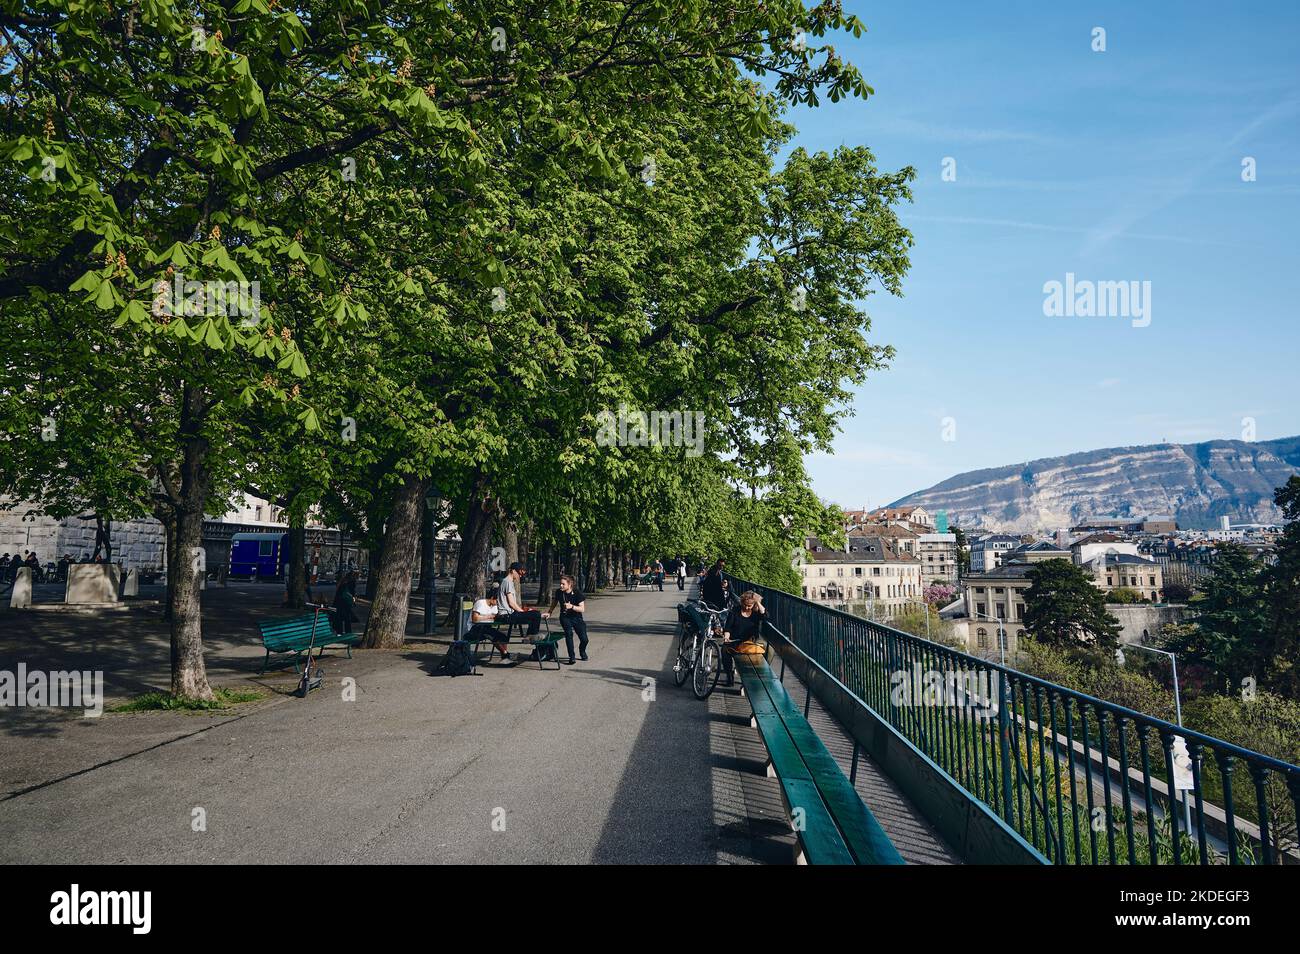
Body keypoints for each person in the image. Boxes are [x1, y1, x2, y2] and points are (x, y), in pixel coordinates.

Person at [720, 590, 766, 687]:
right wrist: (726, 637)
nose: (746, 607)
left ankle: (754, 678)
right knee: (724, 650)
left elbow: (765, 614)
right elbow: (728, 627)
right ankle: (729, 676)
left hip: (749, 642)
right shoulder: (735, 611)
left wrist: (757, 602)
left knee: (765, 651)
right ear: (741, 603)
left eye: (749, 606)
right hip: (735, 640)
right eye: (745, 605)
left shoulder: (755, 613)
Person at [544, 574, 588, 665]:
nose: (561, 586)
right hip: (565, 617)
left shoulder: (577, 593)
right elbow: (555, 602)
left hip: (577, 617)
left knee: (584, 639)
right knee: (569, 634)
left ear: (570, 584)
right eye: (560, 584)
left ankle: (582, 651)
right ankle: (571, 657)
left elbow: (582, 609)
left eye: (563, 584)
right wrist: (550, 612)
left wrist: (572, 606)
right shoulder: (559, 592)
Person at [498, 561, 542, 642]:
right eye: (519, 573)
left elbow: (513, 603)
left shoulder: (508, 582)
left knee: (534, 615)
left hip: (510, 614)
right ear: (513, 571)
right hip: (506, 616)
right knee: (536, 615)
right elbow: (511, 603)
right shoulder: (507, 582)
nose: (520, 576)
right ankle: (531, 637)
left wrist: (525, 611)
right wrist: (522, 611)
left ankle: (530, 636)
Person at [469, 589, 514, 665]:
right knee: (491, 636)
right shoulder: (480, 603)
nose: (498, 603)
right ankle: (505, 654)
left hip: (487, 628)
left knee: (502, 637)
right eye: (497, 601)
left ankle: (504, 655)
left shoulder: (494, 606)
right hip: (475, 628)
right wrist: (488, 617)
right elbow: (475, 619)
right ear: (492, 598)